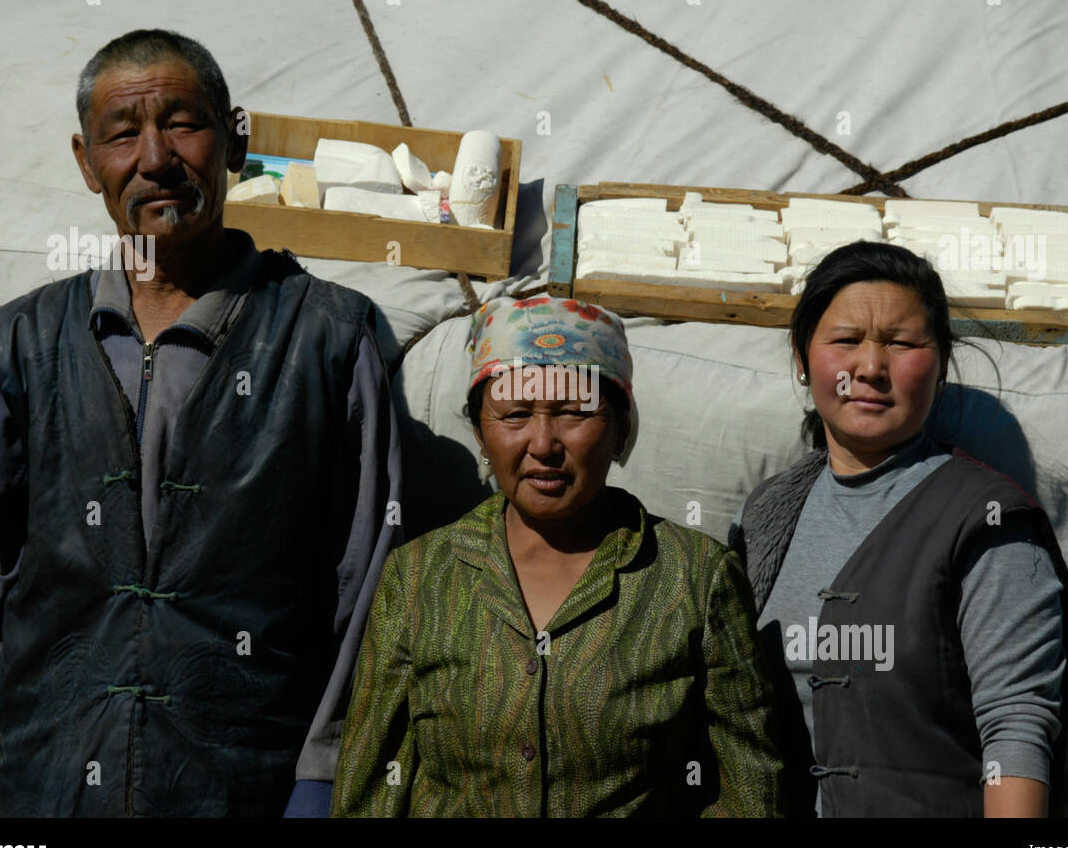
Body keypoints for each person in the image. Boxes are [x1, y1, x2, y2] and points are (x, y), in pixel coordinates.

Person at [0, 29, 401, 818]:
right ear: (85, 159)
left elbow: (371, 585)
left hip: (245, 791)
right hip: (45, 792)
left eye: (183, 123)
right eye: (123, 133)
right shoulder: (26, 343)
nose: (156, 156)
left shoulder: (332, 338)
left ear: (235, 140)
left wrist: (318, 787)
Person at [332, 295, 785, 816]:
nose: (543, 443)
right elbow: (372, 783)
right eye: (515, 414)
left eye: (574, 413)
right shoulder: (417, 577)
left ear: (620, 431)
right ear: (480, 431)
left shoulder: (695, 579)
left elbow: (749, 788)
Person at [731, 241, 1068, 818]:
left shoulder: (989, 523)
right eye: (845, 340)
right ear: (800, 356)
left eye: (902, 343)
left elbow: (1016, 724)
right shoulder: (767, 514)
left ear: (940, 362)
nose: (869, 367)